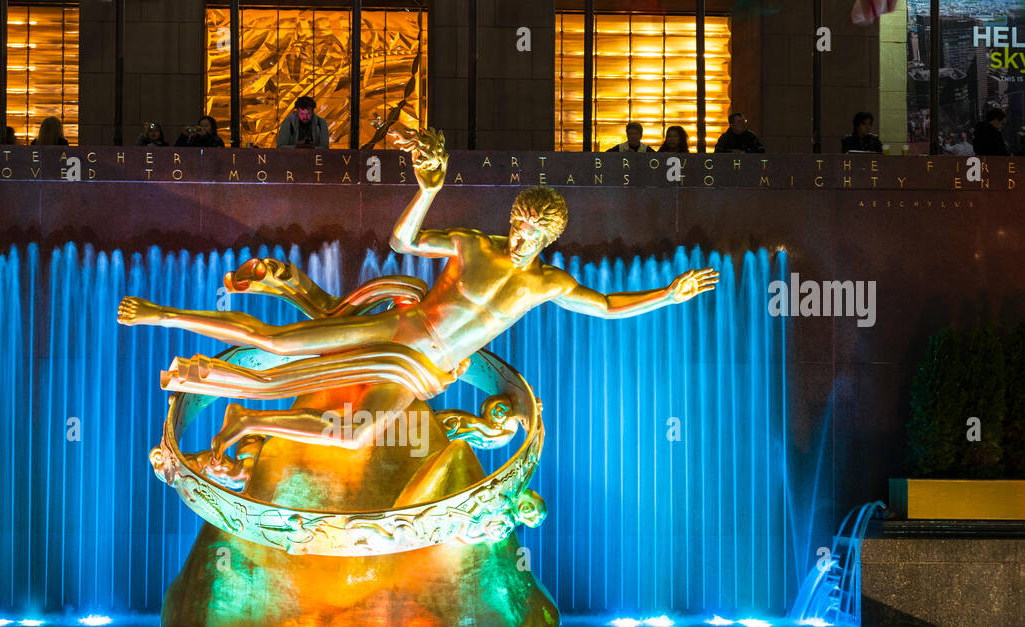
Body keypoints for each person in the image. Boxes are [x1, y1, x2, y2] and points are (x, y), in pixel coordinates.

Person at [117, 127, 718, 486]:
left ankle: (246, 421)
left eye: (535, 233)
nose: (522, 237)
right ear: (511, 220)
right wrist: (428, 190)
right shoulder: (474, 244)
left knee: (352, 436)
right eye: (520, 224)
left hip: (424, 371)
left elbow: (608, 305)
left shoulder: (546, 284)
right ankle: (161, 314)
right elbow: (404, 243)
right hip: (402, 329)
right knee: (278, 344)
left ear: (550, 238)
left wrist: (668, 294)